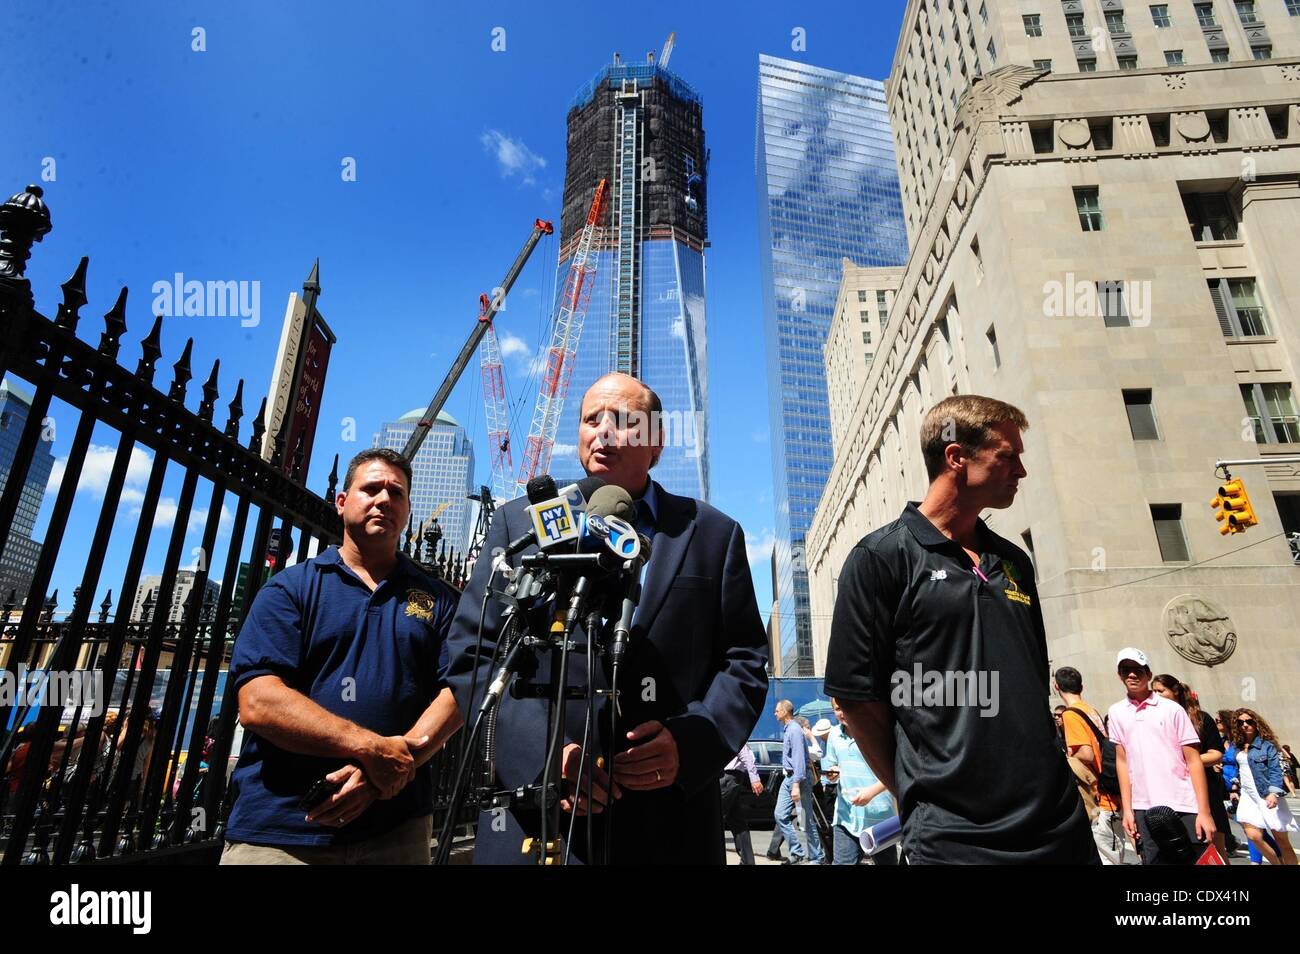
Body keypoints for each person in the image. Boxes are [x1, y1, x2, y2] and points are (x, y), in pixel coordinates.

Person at [446, 372, 769, 864]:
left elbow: (744, 659)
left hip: (670, 827)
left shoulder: (713, 535)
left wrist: (692, 743)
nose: (602, 431)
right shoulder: (520, 523)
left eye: (622, 421)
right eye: (590, 419)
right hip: (539, 822)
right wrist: (541, 754)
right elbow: (473, 655)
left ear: (656, 441)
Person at [825, 395, 1097, 864]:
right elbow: (856, 699)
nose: (1021, 471)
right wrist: (915, 792)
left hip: (1058, 826)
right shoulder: (880, 557)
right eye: (1007, 456)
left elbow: (1033, 678)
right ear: (956, 457)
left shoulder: (1013, 561)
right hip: (954, 838)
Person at [221, 448, 463, 865]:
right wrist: (371, 750)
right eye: (371, 488)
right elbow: (258, 702)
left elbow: (459, 691)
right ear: (341, 501)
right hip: (281, 832)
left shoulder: (438, 599)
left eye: (397, 493)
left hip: (397, 832)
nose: (384, 499)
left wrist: (384, 773)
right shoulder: (290, 590)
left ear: (407, 511)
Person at [1107, 648, 1214, 864]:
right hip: (1142, 807)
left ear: (1147, 673)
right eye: (1125, 670)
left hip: (1184, 803)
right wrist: (1127, 809)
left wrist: (1204, 811)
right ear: (1119, 675)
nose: (1131, 675)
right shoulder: (1116, 712)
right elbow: (1122, 762)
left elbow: (1193, 761)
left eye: (1137, 670)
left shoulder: (1172, 709)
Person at [1055, 666, 1133, 864]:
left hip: (1098, 795)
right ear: (1081, 686)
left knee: (1106, 856)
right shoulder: (1091, 710)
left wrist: (1068, 757)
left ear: (1056, 687)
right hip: (1109, 789)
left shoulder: (1070, 715)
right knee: (1115, 852)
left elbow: (1087, 754)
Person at [1152, 674, 1229, 858]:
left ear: (1175, 691)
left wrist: (1188, 760)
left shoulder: (1201, 719)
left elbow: (1217, 754)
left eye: (1160, 691)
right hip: (1169, 790)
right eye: (1153, 691)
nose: (1156, 695)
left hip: (1204, 788)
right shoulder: (1153, 719)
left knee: (1215, 850)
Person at [822, 698, 896, 865]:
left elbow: (895, 770)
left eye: (847, 706)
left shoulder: (877, 731)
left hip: (880, 819)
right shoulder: (833, 734)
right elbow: (833, 766)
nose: (842, 713)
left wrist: (871, 793)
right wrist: (832, 773)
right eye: (837, 708)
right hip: (845, 817)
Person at [1230, 708, 1298, 865]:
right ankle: (1277, 863)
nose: (1245, 725)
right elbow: (1236, 769)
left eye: (1249, 721)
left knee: (1281, 840)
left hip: (1266, 793)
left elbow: (1276, 770)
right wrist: (1234, 788)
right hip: (1248, 795)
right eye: (1241, 722)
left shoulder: (1267, 746)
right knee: (1252, 834)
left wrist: (1274, 793)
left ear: (1256, 723)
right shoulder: (1237, 746)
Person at [773, 700, 824, 865]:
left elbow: (799, 759)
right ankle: (797, 852)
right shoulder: (790, 729)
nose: (775, 713)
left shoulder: (794, 730)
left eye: (777, 710)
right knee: (780, 814)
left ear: (785, 712)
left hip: (797, 779)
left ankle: (817, 857)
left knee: (806, 819)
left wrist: (796, 784)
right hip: (790, 778)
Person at [719, 745, 763, 865]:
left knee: (715, 820)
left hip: (727, 776)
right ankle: (748, 861)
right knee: (737, 821)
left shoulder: (730, 729)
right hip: (730, 777)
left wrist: (755, 778)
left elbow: (745, 754)